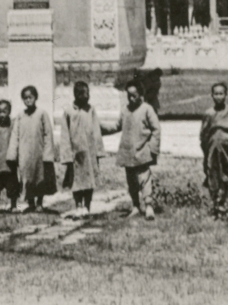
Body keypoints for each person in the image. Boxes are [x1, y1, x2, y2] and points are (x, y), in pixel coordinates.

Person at [114, 80, 161, 221]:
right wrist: (100, 128)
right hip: (128, 152)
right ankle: (135, 205)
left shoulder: (147, 109)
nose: (131, 98)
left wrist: (153, 148)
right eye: (129, 95)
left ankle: (148, 206)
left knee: (144, 178)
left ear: (141, 95)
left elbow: (156, 129)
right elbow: (117, 126)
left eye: (134, 95)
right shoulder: (125, 110)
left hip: (142, 151)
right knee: (131, 180)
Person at [59, 81, 106, 218]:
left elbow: (96, 131)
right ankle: (78, 205)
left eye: (87, 94)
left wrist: (99, 151)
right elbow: (65, 134)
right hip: (75, 155)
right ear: (76, 95)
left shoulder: (91, 110)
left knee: (89, 181)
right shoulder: (68, 111)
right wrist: (66, 155)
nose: (86, 97)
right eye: (82, 94)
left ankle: (87, 206)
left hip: (89, 154)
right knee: (77, 182)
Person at [7, 85, 56, 212]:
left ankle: (39, 203)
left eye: (30, 97)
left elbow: (48, 134)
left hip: (38, 154)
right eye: (25, 98)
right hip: (24, 154)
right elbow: (15, 135)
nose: (28, 100)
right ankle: (31, 203)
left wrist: (48, 153)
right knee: (26, 178)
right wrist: (12, 154)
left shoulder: (42, 114)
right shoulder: (20, 116)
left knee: (39, 178)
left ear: (36, 98)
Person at [200, 83, 228, 218]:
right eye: (216, 94)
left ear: (226, 95)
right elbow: (204, 134)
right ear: (212, 95)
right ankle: (216, 206)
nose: (219, 97)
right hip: (213, 152)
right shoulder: (209, 114)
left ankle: (225, 204)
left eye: (221, 93)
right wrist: (208, 148)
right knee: (213, 175)